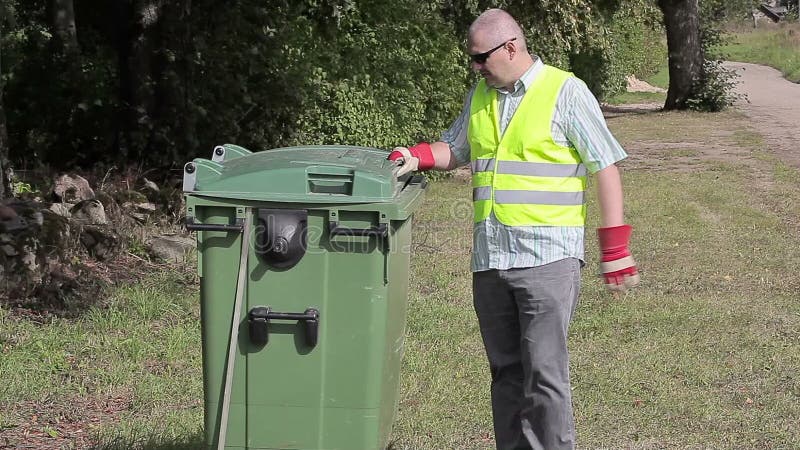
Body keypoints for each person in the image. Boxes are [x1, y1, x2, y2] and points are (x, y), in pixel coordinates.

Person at [388, 8, 639, 450]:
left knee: (544, 376)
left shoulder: (566, 91)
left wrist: (615, 247)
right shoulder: (480, 95)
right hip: (491, 258)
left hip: (547, 259)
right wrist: (417, 155)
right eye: (471, 59)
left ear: (511, 47)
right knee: (505, 373)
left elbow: (605, 166)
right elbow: (457, 147)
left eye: (481, 58)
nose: (475, 67)